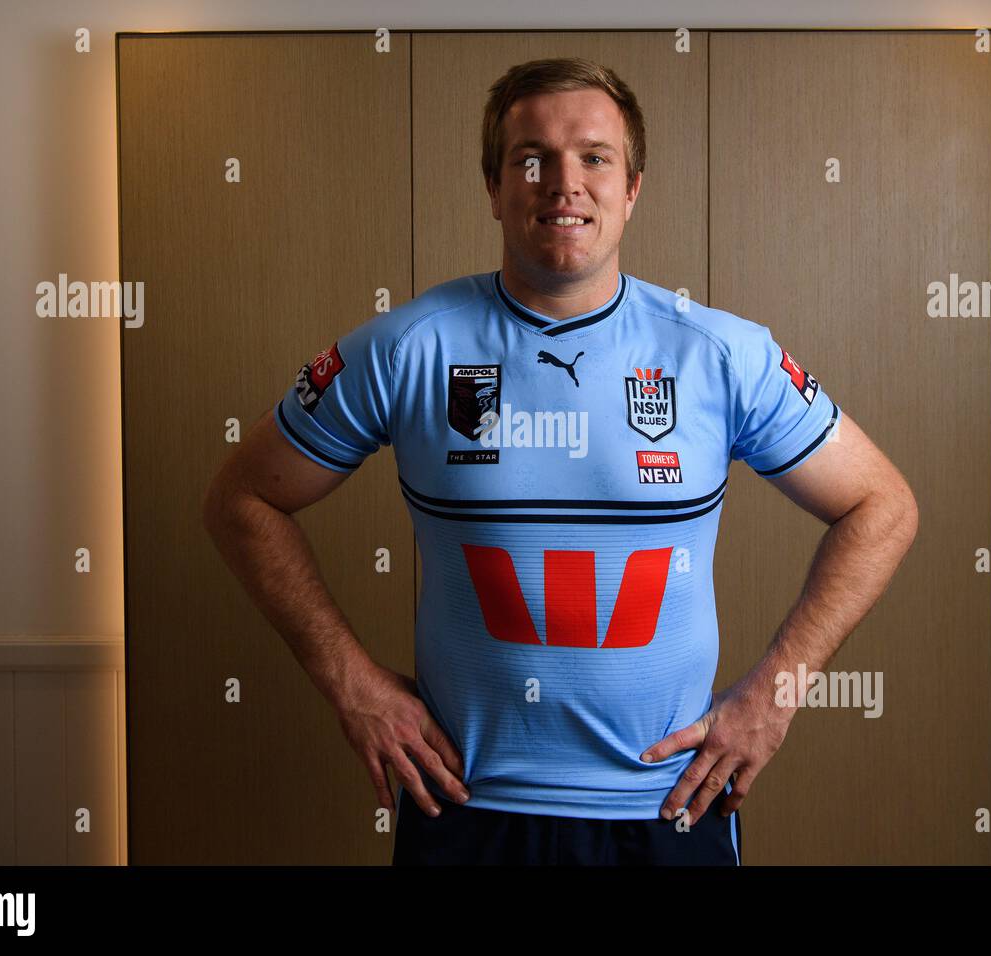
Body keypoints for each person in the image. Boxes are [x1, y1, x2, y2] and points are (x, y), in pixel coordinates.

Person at [202, 57, 918, 866]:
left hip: (669, 806)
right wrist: (351, 684)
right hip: (469, 808)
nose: (562, 182)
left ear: (632, 187)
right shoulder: (409, 348)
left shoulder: (719, 353)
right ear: (494, 187)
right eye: (531, 158)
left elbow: (882, 506)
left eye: (594, 157)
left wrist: (774, 700)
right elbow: (242, 500)